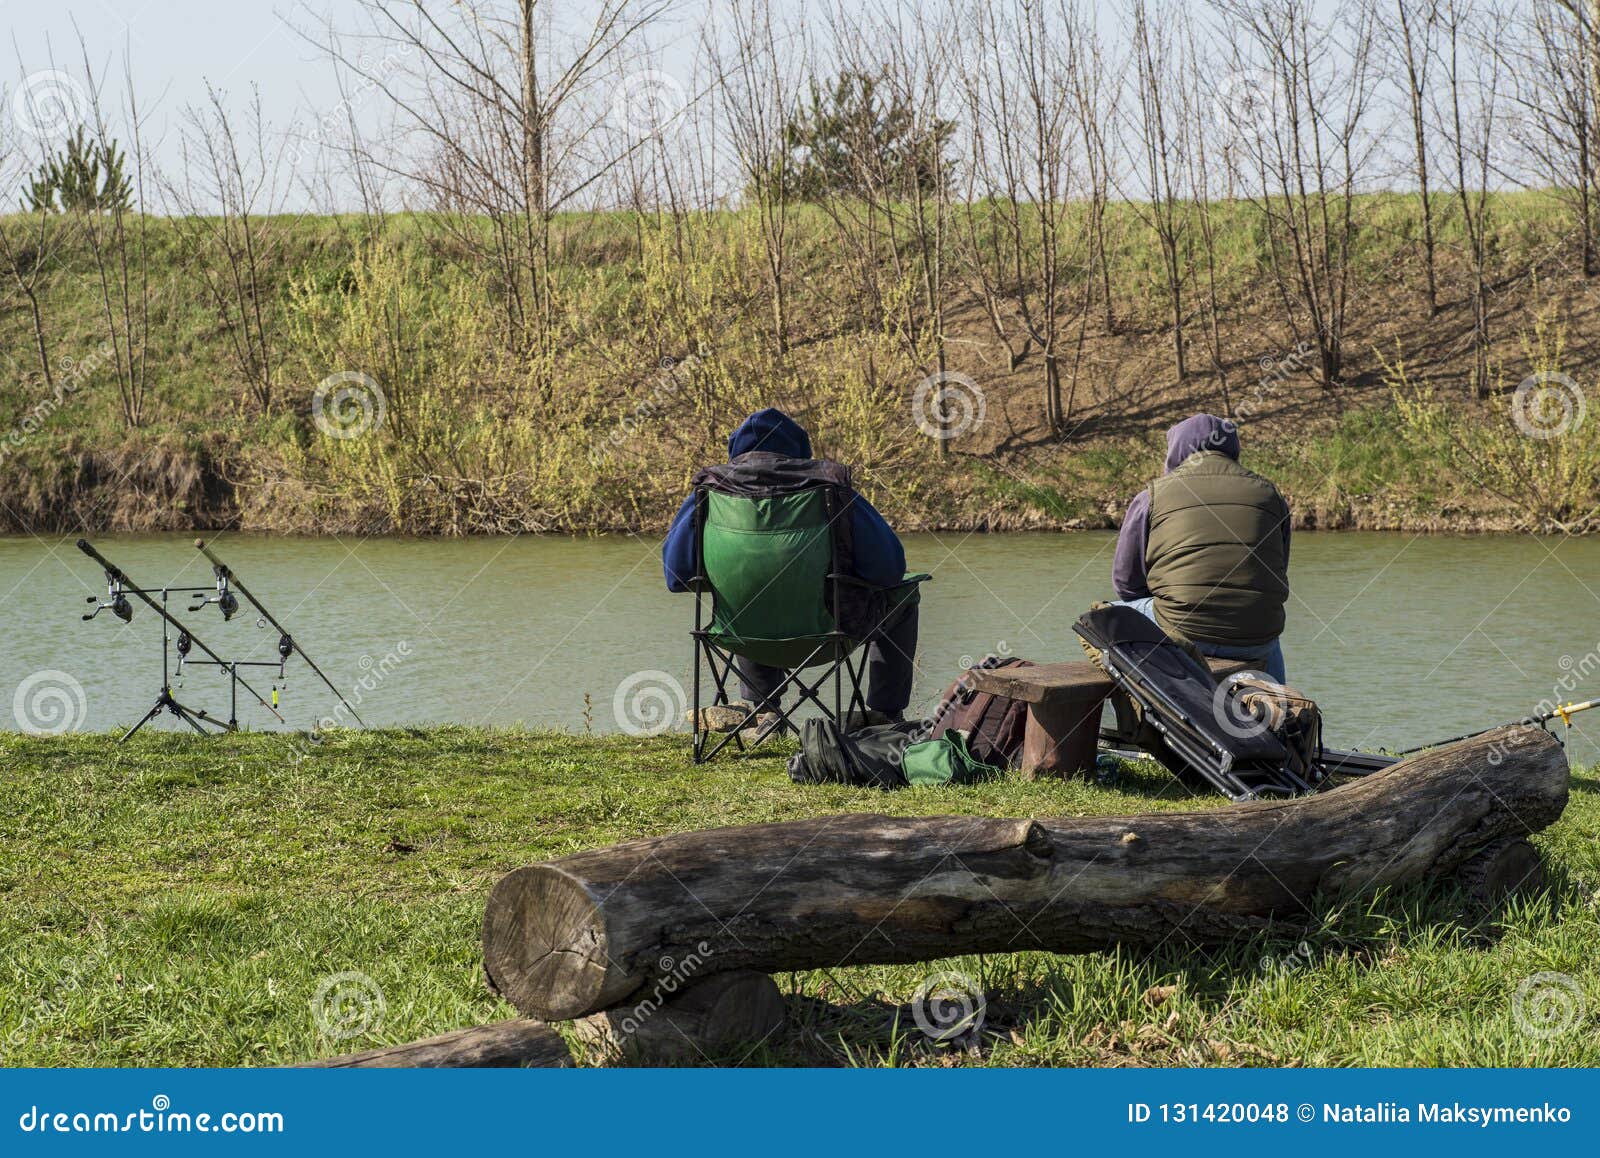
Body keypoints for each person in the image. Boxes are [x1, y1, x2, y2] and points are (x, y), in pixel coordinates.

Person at [663, 408, 918, 728]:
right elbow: (890, 570)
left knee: (751, 585)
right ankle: (885, 712)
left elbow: (675, 578)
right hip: (829, 633)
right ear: (799, 454)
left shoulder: (710, 492)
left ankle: (762, 708)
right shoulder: (830, 489)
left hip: (740, 636)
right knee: (907, 591)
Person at [1111, 413, 1291, 682]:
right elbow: (1275, 573)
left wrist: (1173, 596)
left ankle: (1133, 713)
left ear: (1176, 449)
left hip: (1181, 628)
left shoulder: (1153, 494)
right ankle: (1278, 706)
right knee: (1264, 629)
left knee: (1102, 617)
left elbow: (1126, 583)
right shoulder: (1270, 494)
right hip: (1256, 638)